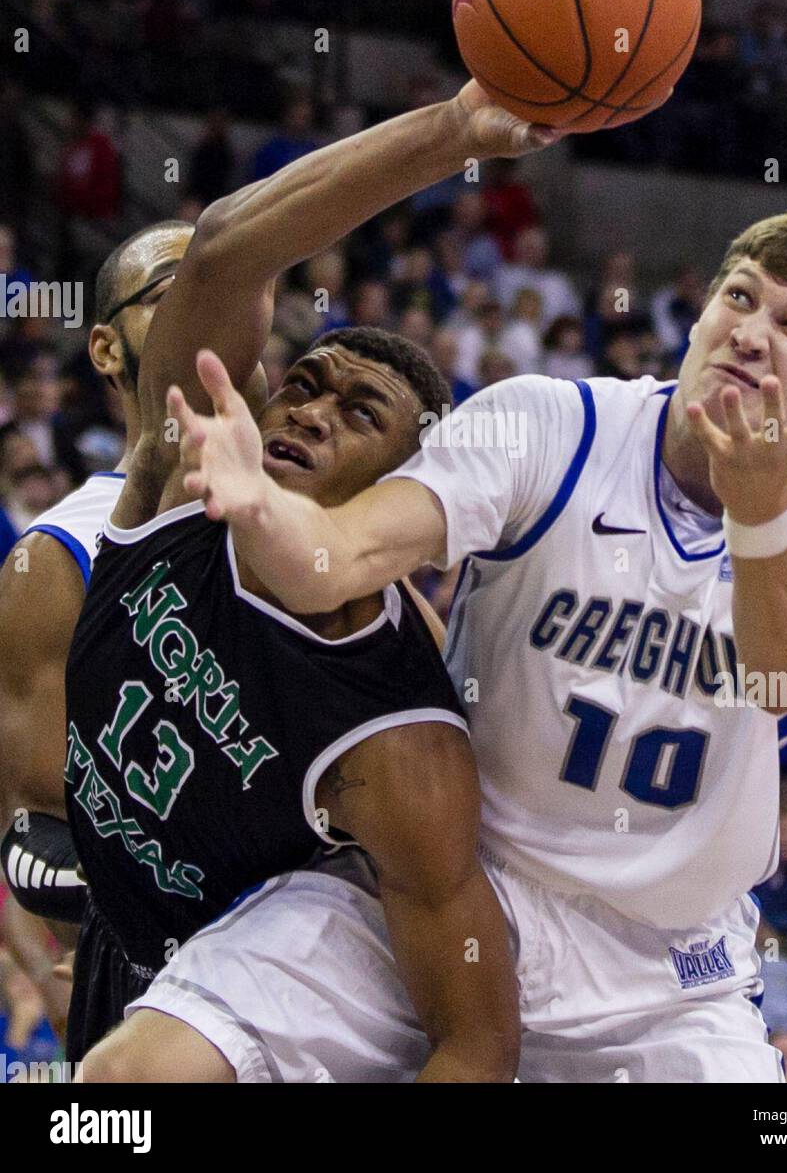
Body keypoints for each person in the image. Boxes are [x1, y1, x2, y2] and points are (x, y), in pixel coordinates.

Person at [132, 206, 787, 1082]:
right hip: (441, 889)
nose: (751, 332)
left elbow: (785, 677)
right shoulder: (547, 425)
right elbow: (337, 559)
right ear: (695, 319)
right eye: (739, 297)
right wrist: (264, 509)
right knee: (133, 1082)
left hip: (660, 979)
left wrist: (759, 517)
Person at [73, 81, 557, 1082]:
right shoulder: (180, 470)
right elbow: (224, 247)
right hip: (106, 936)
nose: (309, 409)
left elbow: (476, 1040)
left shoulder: (401, 742)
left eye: (360, 411)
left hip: (246, 1001)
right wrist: (457, 130)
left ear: (405, 489)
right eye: (304, 381)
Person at [0, 221, 193, 1033]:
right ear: (108, 350)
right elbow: (32, 835)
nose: (212, 302)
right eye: (174, 291)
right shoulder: (60, 555)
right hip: (174, 999)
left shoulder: (345, 527)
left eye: (239, 280)